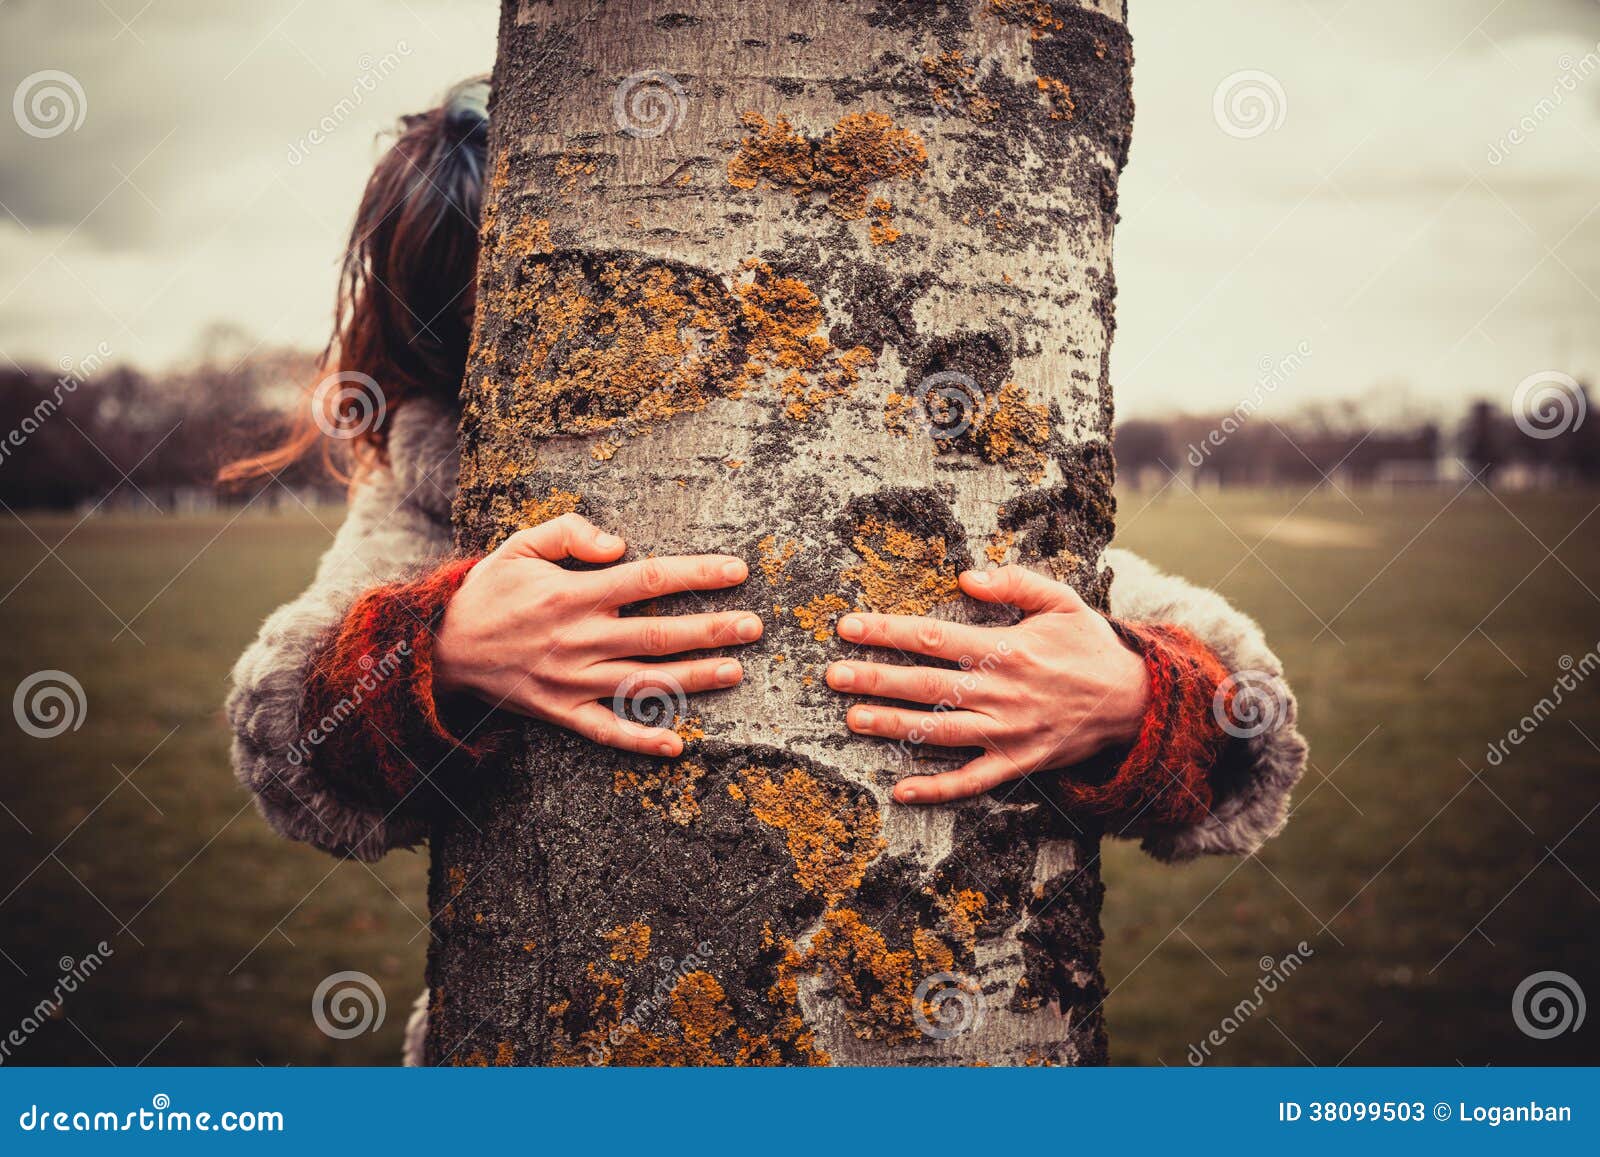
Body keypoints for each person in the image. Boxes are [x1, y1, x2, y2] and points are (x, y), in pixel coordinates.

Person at [223, 80, 1308, 1065]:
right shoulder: (433, 494)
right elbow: (289, 747)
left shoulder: (900, 457)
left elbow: (1247, 732)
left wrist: (1135, 698)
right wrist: (440, 650)